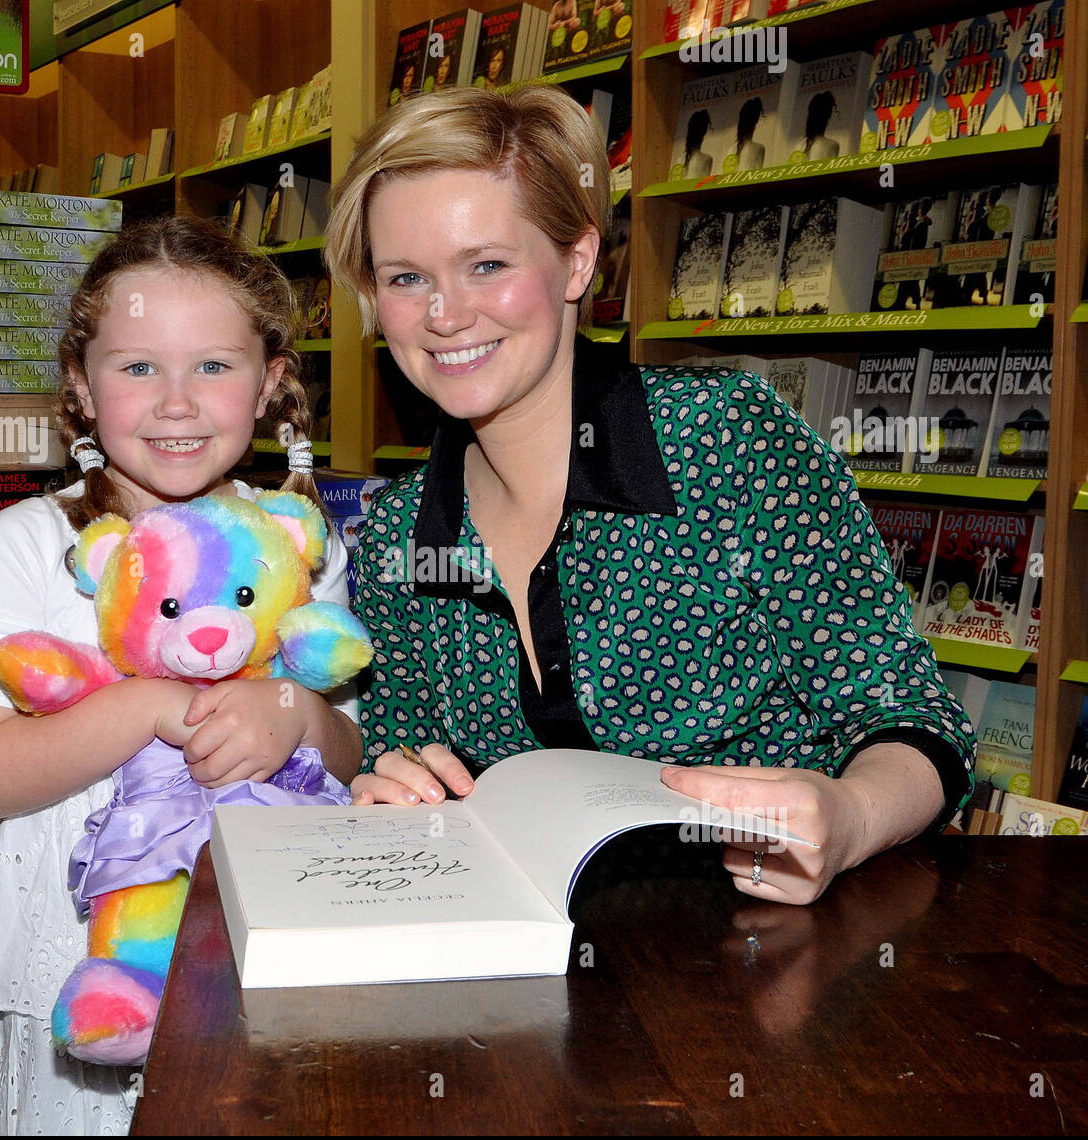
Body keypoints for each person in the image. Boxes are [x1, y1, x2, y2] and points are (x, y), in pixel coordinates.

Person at [322, 84, 976, 906]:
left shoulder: (724, 441)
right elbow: (404, 752)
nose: (444, 314)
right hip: (525, 962)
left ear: (578, 260)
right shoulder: (397, 534)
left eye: (486, 264)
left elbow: (913, 715)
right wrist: (399, 790)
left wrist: (847, 812)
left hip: (784, 946)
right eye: (406, 277)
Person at [0, 215, 362, 1134]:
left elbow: (349, 745)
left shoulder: (294, 541)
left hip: (262, 947)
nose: (177, 402)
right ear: (82, 392)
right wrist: (151, 705)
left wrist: (289, 709)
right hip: (75, 966)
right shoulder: (29, 542)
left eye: (214, 365)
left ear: (272, 385)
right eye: (137, 368)